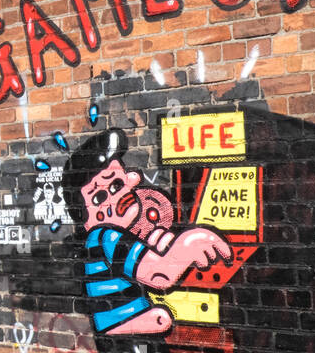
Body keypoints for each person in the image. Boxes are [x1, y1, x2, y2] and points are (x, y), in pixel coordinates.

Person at [61, 128, 231, 335]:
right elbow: (159, 275)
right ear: (87, 219)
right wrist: (189, 243)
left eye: (116, 184)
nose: (115, 197)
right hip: (121, 332)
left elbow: (142, 251)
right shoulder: (107, 237)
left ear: (130, 179)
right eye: (99, 198)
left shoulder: (115, 235)